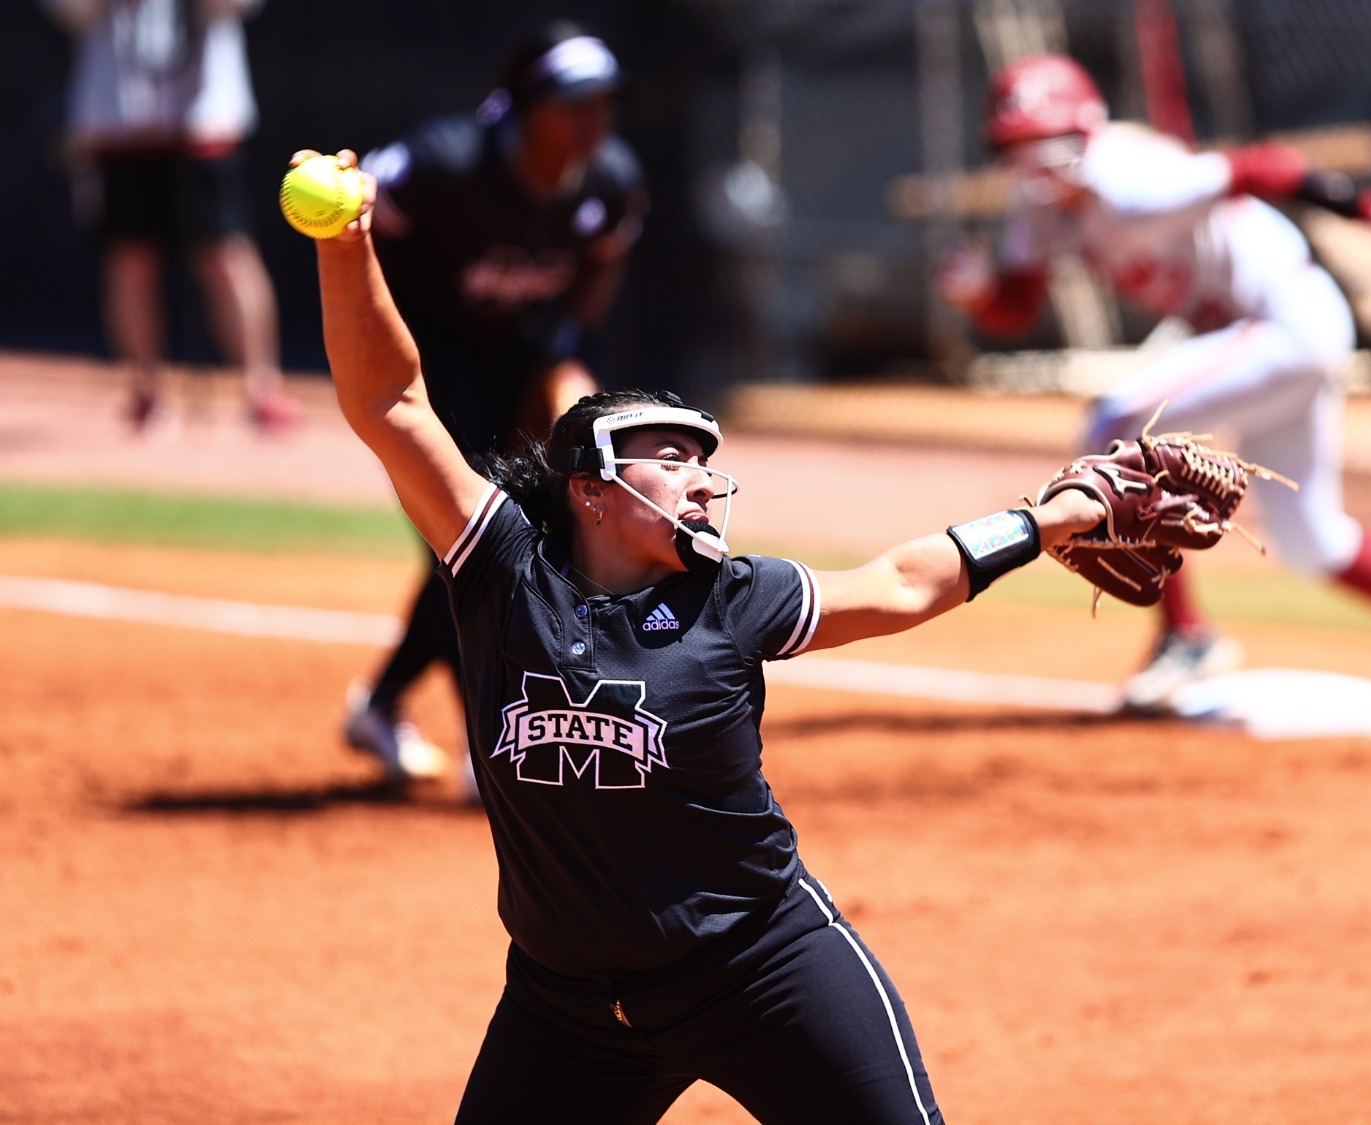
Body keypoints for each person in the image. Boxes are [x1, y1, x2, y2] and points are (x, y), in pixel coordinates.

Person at [300, 145, 1111, 1123]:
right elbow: (391, 405)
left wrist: (1044, 521)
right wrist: (346, 245)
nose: (700, 476)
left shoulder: (734, 596)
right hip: (568, 1009)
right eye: (670, 456)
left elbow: (898, 584)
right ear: (590, 490)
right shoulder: (503, 573)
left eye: (706, 459)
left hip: (759, 971)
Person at [936, 54, 1371, 709]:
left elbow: (1264, 166)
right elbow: (1016, 305)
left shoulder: (1130, 178)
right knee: (1311, 541)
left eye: (1045, 143)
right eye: (1018, 149)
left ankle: (1187, 636)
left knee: (1116, 423)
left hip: (1284, 318)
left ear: (1084, 131)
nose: (1033, 164)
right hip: (1259, 339)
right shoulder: (1041, 207)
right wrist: (981, 294)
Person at [340, 23, 650, 784]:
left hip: (517, 354)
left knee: (513, 531)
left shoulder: (609, 180)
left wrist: (564, 348)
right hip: (426, 358)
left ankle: (384, 702)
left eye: (604, 102)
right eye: (574, 103)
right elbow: (361, 220)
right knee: (469, 532)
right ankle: (488, 738)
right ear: (522, 106)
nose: (594, 120)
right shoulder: (446, 163)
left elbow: (602, 263)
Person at [40, 0, 298, 434]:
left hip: (206, 116)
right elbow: (71, 12)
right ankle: (146, 392)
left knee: (226, 254)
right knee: (132, 258)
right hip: (117, 116)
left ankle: (263, 390)